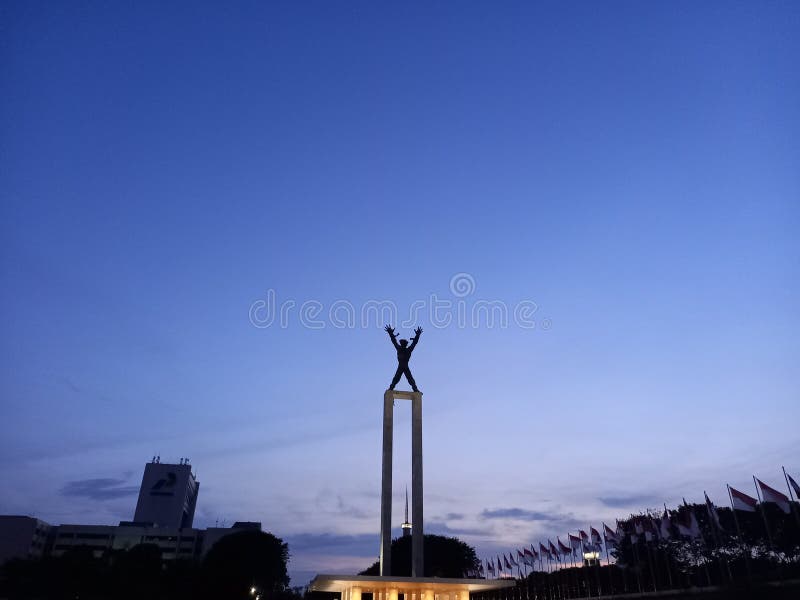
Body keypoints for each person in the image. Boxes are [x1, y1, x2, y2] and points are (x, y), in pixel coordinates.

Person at [384, 325, 422, 392]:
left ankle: (392, 388)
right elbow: (414, 343)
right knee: (404, 378)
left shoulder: (401, 349)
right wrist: (417, 335)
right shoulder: (406, 349)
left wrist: (390, 333)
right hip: (403, 366)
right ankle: (415, 389)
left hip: (402, 366)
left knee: (400, 378)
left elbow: (394, 341)